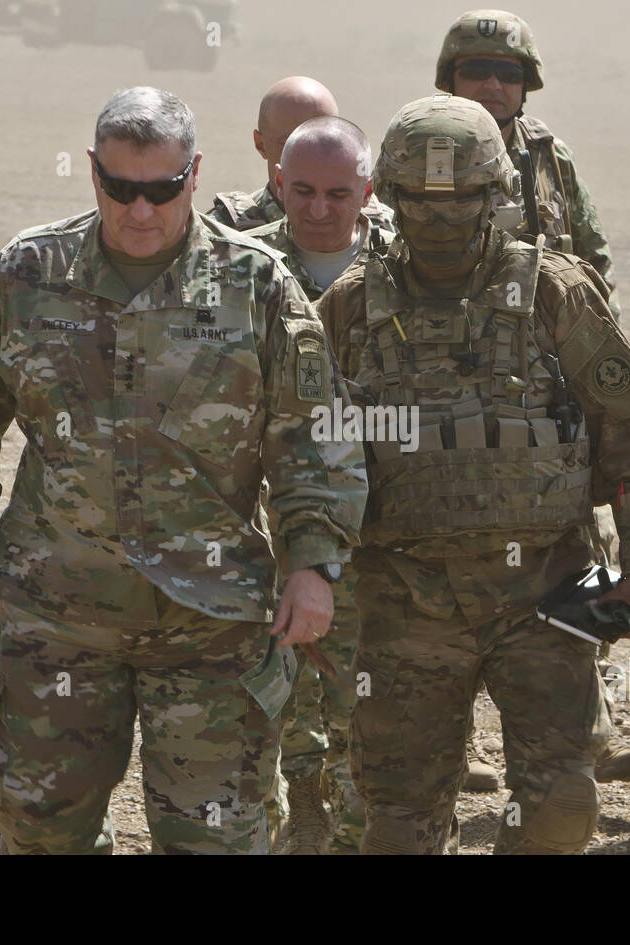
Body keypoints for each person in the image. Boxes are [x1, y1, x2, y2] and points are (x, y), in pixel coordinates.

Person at [0, 86, 367, 854]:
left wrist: (313, 565)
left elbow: (316, 439)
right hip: (60, 616)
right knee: (40, 831)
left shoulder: (253, 284)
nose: (141, 210)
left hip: (211, 624)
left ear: (194, 177)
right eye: (120, 188)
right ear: (93, 171)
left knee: (214, 840)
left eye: (161, 189)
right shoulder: (30, 273)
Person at [316, 93, 630, 854]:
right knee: (397, 824)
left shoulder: (556, 292)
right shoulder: (349, 312)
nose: (440, 219)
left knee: (560, 803)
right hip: (403, 603)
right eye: (419, 199)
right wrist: (309, 573)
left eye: (463, 199)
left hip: (548, 593)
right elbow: (302, 453)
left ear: (499, 195)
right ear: (387, 194)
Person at [247, 116, 391, 854]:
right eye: (301, 190)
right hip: (256, 532)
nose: (319, 209)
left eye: (340, 193)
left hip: (380, 534)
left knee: (365, 712)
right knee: (254, 710)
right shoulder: (243, 270)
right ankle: (288, 820)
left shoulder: (407, 270)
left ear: (367, 189)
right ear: (278, 183)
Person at [435, 9, 618, 314]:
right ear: (450, 81)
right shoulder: (417, 154)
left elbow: (595, 262)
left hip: (538, 348)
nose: (493, 85)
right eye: (476, 71)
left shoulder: (550, 158)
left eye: (509, 75)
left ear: (524, 86)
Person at [208, 76, 393, 233]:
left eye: (324, 143)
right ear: (261, 145)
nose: (310, 159)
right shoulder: (227, 233)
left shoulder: (383, 227)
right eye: (288, 145)